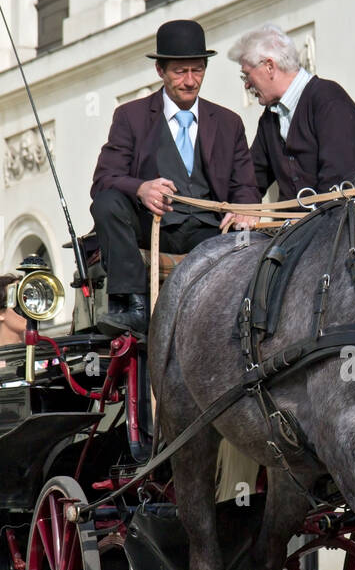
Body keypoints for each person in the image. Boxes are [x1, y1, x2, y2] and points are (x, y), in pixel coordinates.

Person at [89, 19, 260, 336]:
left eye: (197, 70)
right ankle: (134, 306)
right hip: (153, 228)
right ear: (160, 71)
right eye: (180, 72)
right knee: (107, 201)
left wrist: (246, 208)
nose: (190, 81)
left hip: (210, 232)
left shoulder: (228, 122)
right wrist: (141, 188)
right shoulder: (131, 117)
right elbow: (104, 179)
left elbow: (246, 186)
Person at [230, 24, 355, 202]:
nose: (246, 85)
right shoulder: (269, 119)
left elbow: (336, 182)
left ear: (269, 67)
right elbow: (250, 181)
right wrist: (241, 210)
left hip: (342, 224)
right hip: (297, 228)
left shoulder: (329, 99)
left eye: (247, 75)